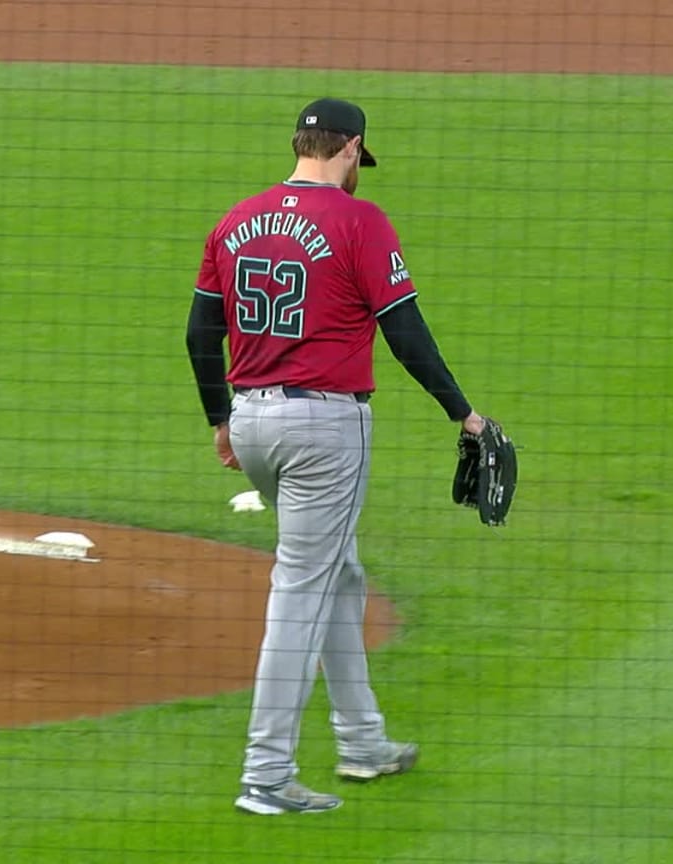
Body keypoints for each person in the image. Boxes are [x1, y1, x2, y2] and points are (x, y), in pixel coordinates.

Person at [185, 98, 490, 815]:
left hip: (254, 421)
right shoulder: (361, 221)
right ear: (349, 147)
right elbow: (405, 330)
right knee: (300, 589)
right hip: (324, 430)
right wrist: (463, 412)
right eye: (360, 158)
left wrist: (220, 422)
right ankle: (265, 777)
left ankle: (362, 743)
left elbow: (201, 334)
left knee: (337, 573)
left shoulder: (235, 219)